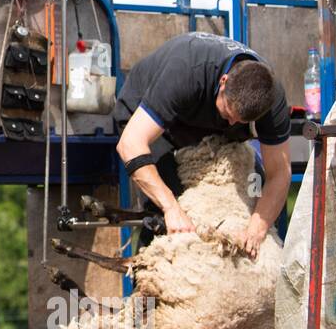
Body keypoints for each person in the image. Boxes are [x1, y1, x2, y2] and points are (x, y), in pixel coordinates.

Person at [113, 31, 292, 256]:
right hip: (151, 121)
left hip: (206, 126)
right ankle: (152, 276)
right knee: (177, 200)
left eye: (241, 120)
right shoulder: (186, 71)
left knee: (255, 184)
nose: (233, 121)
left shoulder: (270, 97)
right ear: (223, 82)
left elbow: (280, 173)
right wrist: (171, 208)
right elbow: (131, 143)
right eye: (229, 113)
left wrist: (258, 227)